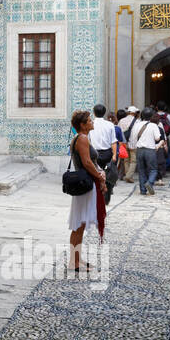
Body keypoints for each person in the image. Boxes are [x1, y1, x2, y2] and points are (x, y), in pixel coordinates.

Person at [68, 110, 108, 273]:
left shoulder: (82, 138)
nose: (92, 122)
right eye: (89, 121)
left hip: (86, 183)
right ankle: (74, 262)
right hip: (86, 184)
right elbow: (87, 162)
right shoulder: (82, 138)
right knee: (79, 224)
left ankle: (77, 259)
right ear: (83, 125)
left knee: (80, 224)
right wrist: (100, 177)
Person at [129, 105, 165, 196]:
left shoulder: (136, 125)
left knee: (141, 170)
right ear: (151, 116)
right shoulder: (153, 126)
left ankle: (143, 190)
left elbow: (133, 138)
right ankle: (150, 182)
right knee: (153, 169)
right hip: (150, 150)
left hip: (139, 150)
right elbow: (157, 138)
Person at [87, 104, 118, 201]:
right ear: (104, 113)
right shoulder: (110, 125)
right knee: (107, 174)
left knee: (95, 174)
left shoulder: (90, 124)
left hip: (94, 153)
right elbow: (113, 141)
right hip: (107, 153)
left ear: (94, 112)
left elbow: (88, 140)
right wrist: (114, 155)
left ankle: (97, 197)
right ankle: (106, 197)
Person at [117, 105, 139, 182]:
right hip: (133, 143)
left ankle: (127, 175)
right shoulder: (137, 121)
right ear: (135, 113)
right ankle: (129, 176)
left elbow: (118, 131)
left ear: (128, 112)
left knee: (126, 160)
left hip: (123, 143)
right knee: (133, 161)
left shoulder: (121, 120)